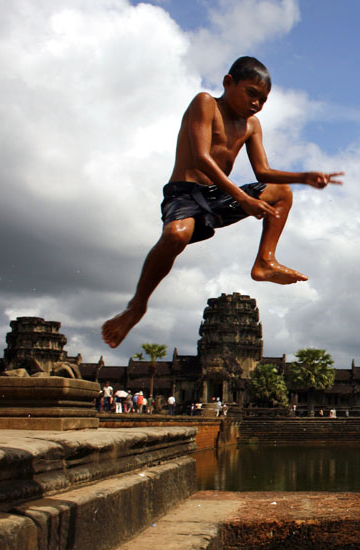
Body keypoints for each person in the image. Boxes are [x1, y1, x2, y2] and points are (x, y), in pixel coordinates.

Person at [102, 56, 343, 348]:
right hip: (186, 191)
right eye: (251, 93)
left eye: (263, 99)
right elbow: (202, 159)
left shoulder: (252, 125)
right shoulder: (205, 104)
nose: (256, 103)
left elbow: (263, 171)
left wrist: (304, 177)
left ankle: (265, 262)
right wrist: (242, 198)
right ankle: (137, 305)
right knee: (176, 235)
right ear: (229, 83)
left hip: (219, 195)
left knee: (282, 193)